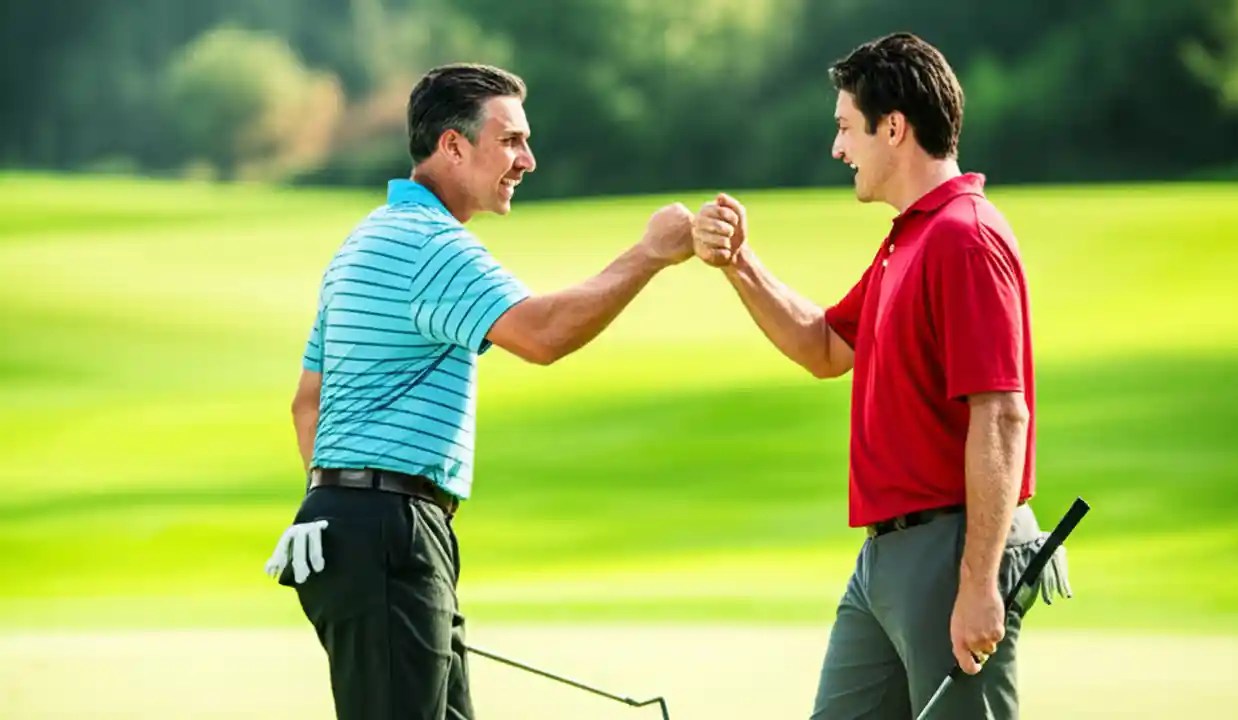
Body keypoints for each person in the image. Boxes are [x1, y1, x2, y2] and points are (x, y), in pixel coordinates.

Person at [263, 63, 694, 720]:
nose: (527, 159)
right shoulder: (430, 244)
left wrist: (324, 503)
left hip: (364, 525)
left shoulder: (365, 240)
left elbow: (307, 403)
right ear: (454, 146)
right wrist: (650, 255)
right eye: (511, 141)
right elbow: (543, 334)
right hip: (390, 530)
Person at [690, 33, 1067, 719]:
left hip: (953, 551)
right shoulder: (911, 237)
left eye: (844, 127)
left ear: (893, 127)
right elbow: (824, 347)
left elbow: (1002, 413)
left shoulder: (965, 236)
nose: (838, 148)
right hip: (885, 561)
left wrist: (979, 583)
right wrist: (739, 264)